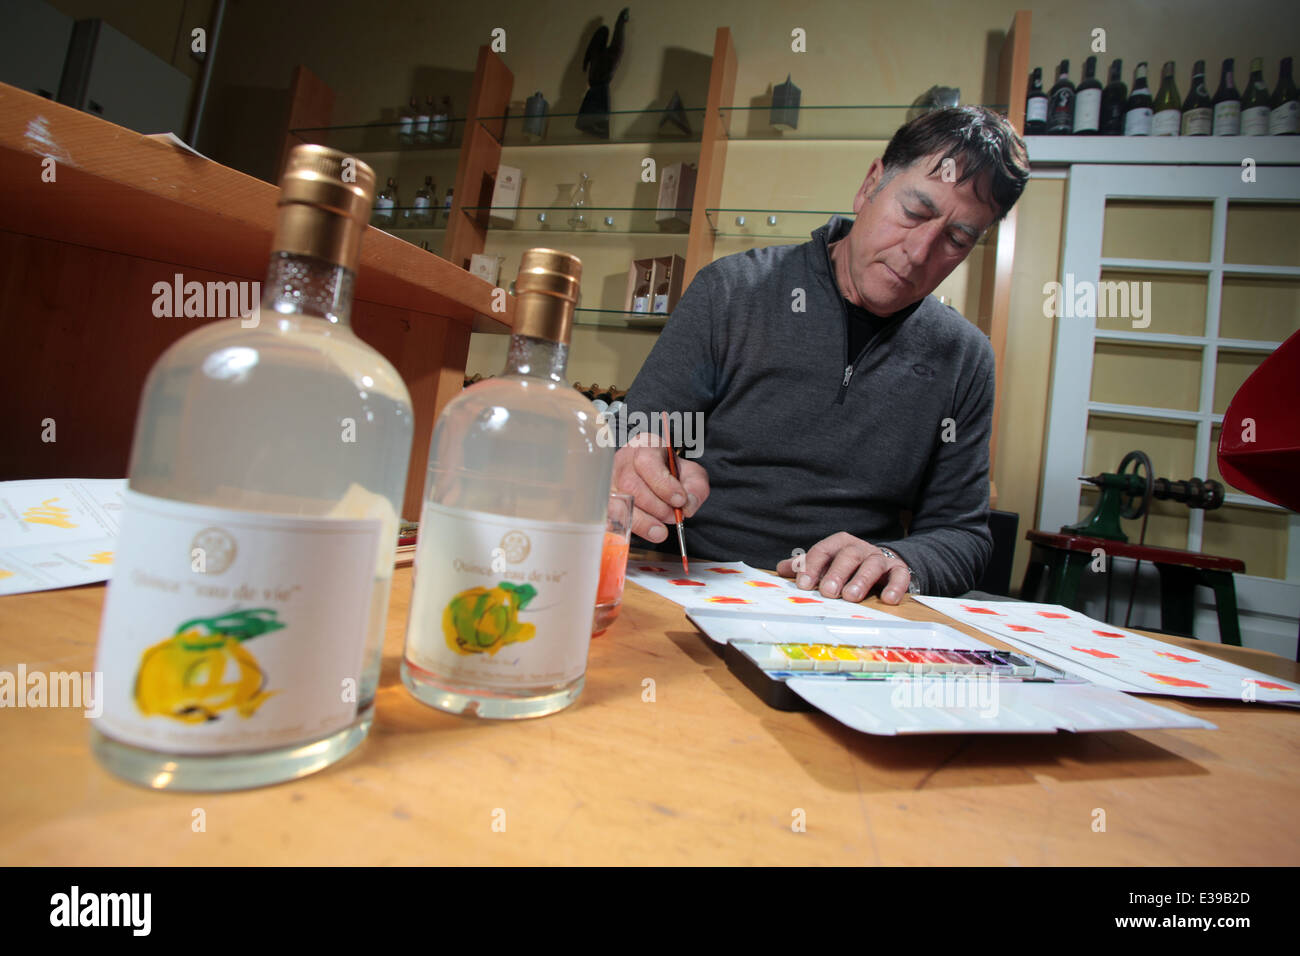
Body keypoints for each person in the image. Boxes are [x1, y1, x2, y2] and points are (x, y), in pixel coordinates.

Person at [613, 106, 1030, 604]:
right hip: (688, 580)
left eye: (956, 239)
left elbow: (962, 534)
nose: (918, 253)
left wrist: (898, 560)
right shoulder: (731, 291)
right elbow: (638, 435)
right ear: (871, 183)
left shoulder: (965, 358)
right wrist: (651, 466)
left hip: (844, 610)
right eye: (914, 213)